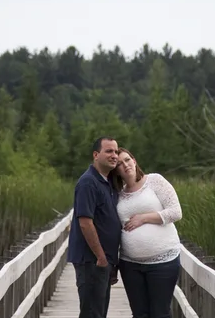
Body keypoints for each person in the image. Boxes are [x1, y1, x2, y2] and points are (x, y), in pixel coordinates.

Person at [112, 148, 183, 318]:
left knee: (160, 313)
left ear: (134, 161)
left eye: (128, 160)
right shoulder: (117, 193)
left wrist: (143, 218)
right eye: (120, 164)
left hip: (163, 261)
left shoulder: (155, 181)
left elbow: (176, 212)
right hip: (130, 264)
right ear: (116, 171)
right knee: (139, 314)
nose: (126, 165)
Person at [67, 136, 121, 318]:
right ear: (96, 155)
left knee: (99, 312)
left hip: (103, 260)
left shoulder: (107, 182)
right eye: (109, 151)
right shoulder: (88, 182)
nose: (114, 155)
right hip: (92, 260)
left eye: (116, 151)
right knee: (92, 313)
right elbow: (85, 222)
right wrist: (101, 257)